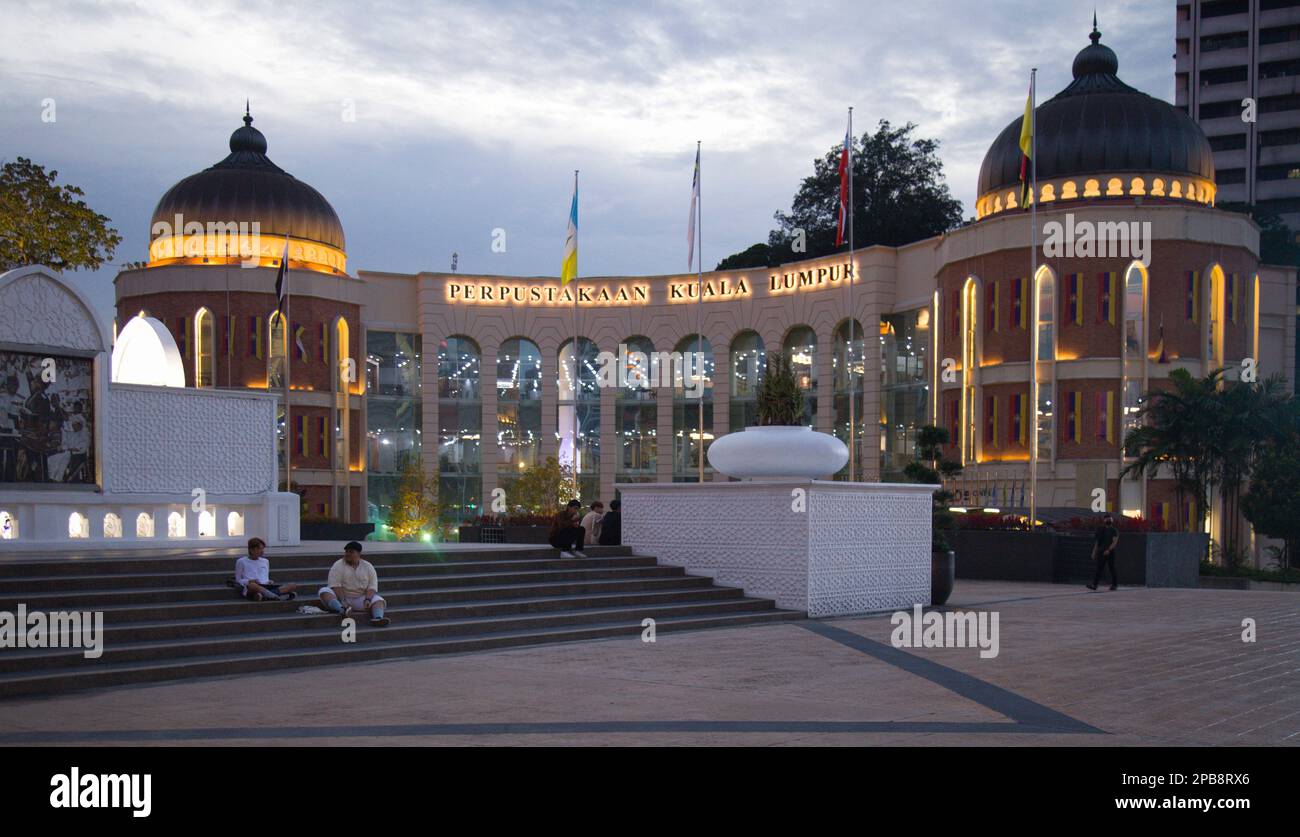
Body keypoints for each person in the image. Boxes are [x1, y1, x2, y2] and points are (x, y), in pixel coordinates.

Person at [318, 541, 390, 626]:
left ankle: (378, 618)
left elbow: (372, 586)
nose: (347, 554)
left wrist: (368, 599)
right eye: (346, 552)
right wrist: (343, 600)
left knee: (379, 600)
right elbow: (335, 585)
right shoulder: (338, 565)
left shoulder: (368, 566)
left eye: (351, 552)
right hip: (341, 599)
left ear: (359, 554)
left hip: (360, 599)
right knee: (324, 591)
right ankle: (342, 610)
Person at [235, 537, 299, 601]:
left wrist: (268, 581)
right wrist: (249, 581)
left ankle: (265, 596)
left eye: (263, 549)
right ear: (251, 550)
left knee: (293, 585)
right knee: (252, 585)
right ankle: (277, 597)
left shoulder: (265, 561)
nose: (262, 551)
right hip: (254, 586)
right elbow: (238, 580)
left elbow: (265, 577)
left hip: (267, 586)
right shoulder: (241, 561)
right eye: (259, 549)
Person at [1087, 515, 1120, 591]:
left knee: (1112, 568)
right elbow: (1097, 542)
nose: (1108, 521)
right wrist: (1094, 552)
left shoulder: (1114, 530)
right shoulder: (1100, 530)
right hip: (1101, 551)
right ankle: (1094, 585)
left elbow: (1115, 542)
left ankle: (1114, 585)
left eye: (1109, 519)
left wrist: (1108, 550)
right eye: (1107, 519)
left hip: (1110, 552)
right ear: (1104, 520)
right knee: (1099, 568)